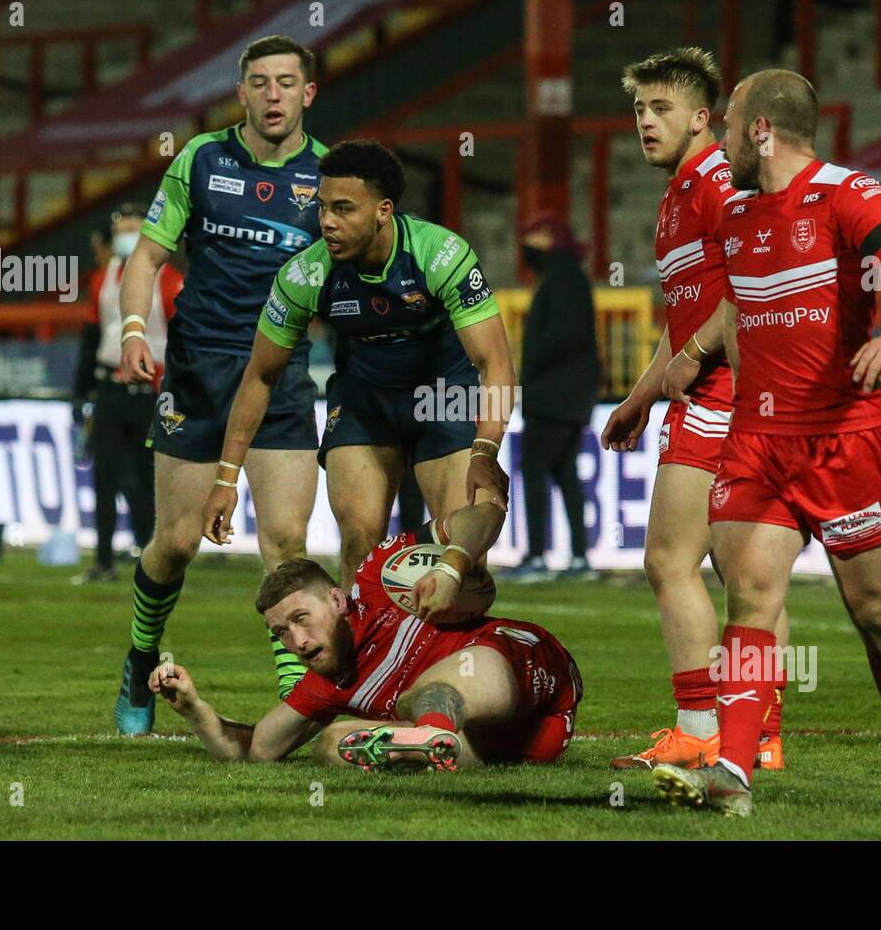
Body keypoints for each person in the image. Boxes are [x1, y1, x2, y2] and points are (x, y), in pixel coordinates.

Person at [652, 69, 881, 817]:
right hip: (758, 440)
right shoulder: (738, 214)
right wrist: (682, 365)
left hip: (845, 438)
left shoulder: (846, 193)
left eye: (729, 126)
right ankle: (735, 770)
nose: (718, 139)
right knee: (748, 593)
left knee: (875, 610)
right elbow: (735, 305)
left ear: (760, 131)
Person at [112, 34, 328, 734]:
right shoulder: (200, 159)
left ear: (308, 94)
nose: (272, 95)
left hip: (281, 373)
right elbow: (145, 258)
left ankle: (295, 700)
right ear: (241, 93)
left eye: (286, 83)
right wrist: (136, 332)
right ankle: (140, 658)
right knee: (176, 542)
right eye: (259, 83)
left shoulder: (330, 174)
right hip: (200, 373)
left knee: (287, 543)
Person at [201, 140, 515, 592]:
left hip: (444, 396)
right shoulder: (304, 275)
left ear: (383, 210)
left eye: (345, 209)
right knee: (360, 541)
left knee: (461, 558)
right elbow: (261, 375)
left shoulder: (439, 254)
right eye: (323, 206)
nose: (327, 221)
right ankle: (367, 660)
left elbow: (496, 363)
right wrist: (226, 478)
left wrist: (485, 450)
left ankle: (447, 658)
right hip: (364, 400)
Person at [604, 48, 789, 773]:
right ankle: (760, 734)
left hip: (724, 398)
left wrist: (690, 361)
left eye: (661, 109)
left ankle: (700, 728)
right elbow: (685, 318)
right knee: (741, 571)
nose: (646, 122)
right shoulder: (679, 192)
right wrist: (641, 395)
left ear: (702, 117)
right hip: (714, 394)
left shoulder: (718, 181)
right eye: (639, 109)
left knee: (668, 560)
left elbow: (753, 279)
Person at [152, 500, 582, 769]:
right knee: (332, 744)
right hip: (525, 744)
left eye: (302, 619)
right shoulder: (326, 683)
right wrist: (194, 708)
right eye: (281, 633)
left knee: (428, 690)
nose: (297, 642)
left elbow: (485, 514)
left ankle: (427, 730)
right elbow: (257, 749)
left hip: (523, 665)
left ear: (338, 602)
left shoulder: (380, 573)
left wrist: (451, 567)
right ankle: (427, 738)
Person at [72, 202, 182, 584]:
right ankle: (103, 558)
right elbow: (91, 335)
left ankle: (150, 558)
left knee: (147, 477)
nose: (126, 235)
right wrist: (80, 391)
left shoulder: (168, 279)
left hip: (152, 389)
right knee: (104, 475)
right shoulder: (102, 278)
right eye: (122, 228)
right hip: (111, 386)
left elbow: (180, 335)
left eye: (135, 227)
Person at [502, 214, 600, 583]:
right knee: (565, 474)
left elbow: (561, 338)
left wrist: (527, 374)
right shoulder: (569, 277)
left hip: (553, 396)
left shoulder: (561, 279)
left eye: (538, 235)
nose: (529, 242)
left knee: (536, 471)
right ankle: (578, 558)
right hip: (570, 396)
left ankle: (538, 557)